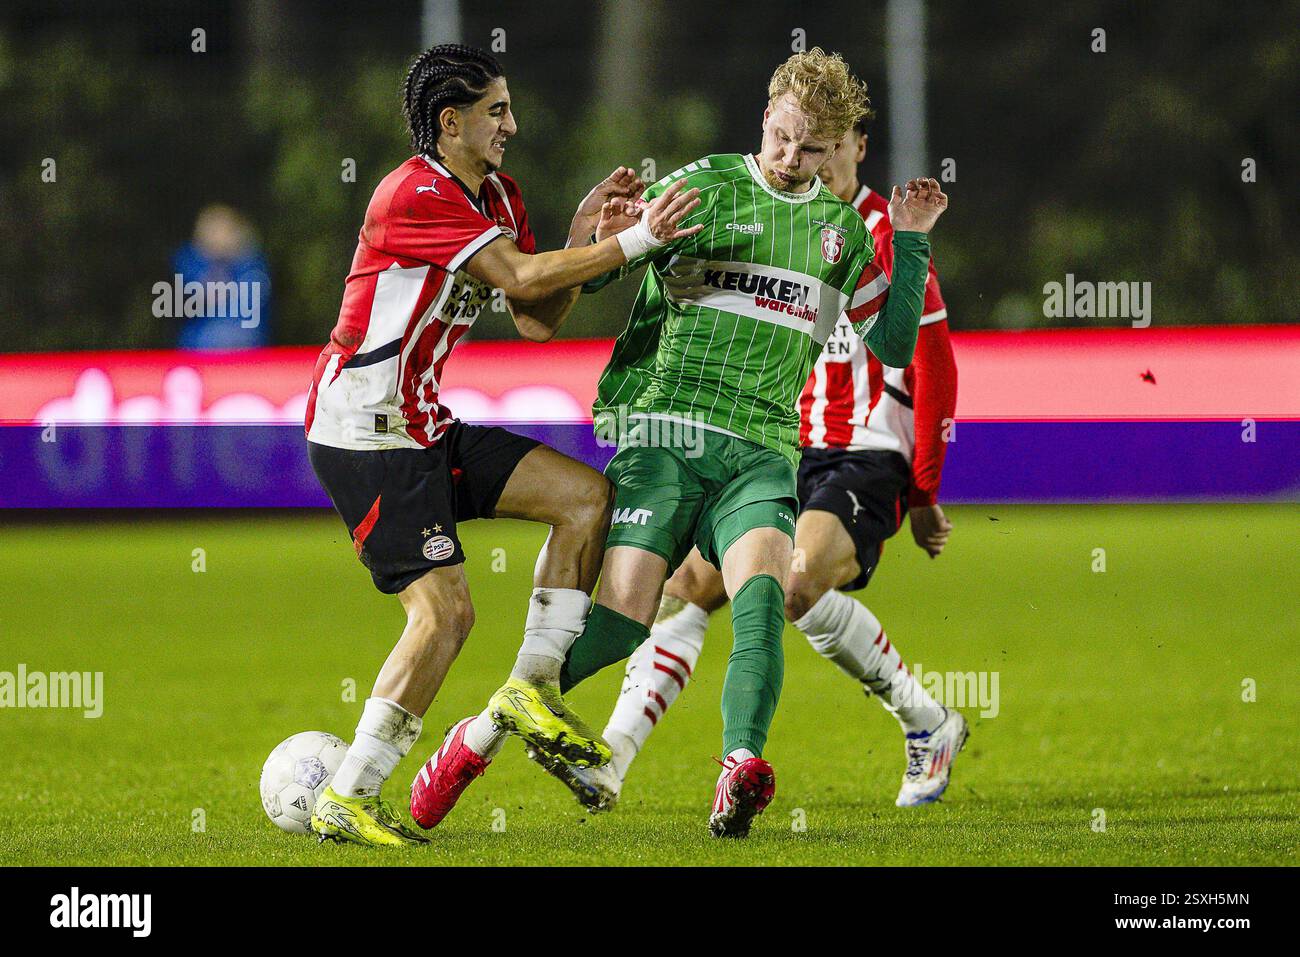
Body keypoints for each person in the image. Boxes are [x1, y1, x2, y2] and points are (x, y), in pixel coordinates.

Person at [421, 47, 949, 839]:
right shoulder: (703, 187)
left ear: (836, 146)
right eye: (782, 137)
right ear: (766, 116)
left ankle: (740, 766)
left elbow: (898, 342)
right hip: (665, 438)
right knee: (624, 620)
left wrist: (910, 238)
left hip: (764, 450)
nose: (790, 159)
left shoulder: (840, 233)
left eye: (811, 149)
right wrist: (610, 236)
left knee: (765, 599)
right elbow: (592, 280)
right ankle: (483, 729)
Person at [303, 44, 701, 847]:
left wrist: (589, 224)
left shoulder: (497, 193)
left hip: (422, 424)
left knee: (585, 499)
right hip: (363, 432)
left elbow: (535, 317)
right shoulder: (410, 193)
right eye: (496, 111)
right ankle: (346, 793)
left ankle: (532, 688)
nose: (512, 125)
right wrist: (636, 242)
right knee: (445, 613)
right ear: (450, 123)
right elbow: (518, 277)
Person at [547, 110, 967, 815]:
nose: (806, 158)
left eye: (822, 147)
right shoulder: (758, 206)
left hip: (864, 452)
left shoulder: (877, 233)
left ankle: (924, 719)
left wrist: (924, 487)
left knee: (793, 585)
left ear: (853, 147)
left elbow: (931, 360)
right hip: (773, 447)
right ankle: (612, 756)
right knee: (684, 589)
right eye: (791, 142)